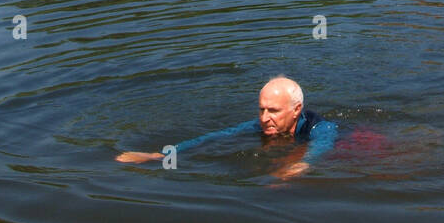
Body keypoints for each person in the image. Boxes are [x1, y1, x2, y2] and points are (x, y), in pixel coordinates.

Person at [115, 75, 336, 179]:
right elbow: (215, 137)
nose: (265, 118)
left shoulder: (321, 129)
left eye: (274, 111)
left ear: (296, 110)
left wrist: (301, 165)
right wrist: (160, 155)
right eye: (261, 110)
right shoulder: (261, 125)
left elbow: (322, 146)